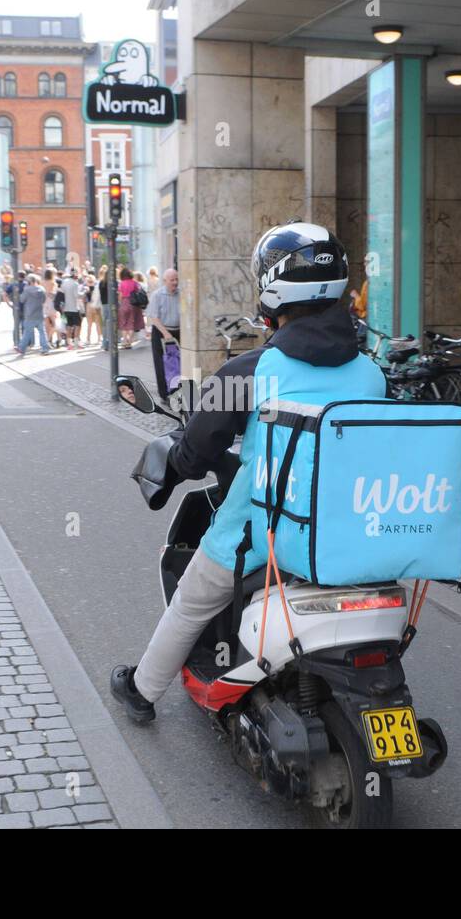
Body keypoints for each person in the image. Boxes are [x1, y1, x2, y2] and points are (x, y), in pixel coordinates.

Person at [109, 223, 381, 722]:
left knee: (191, 601)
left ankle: (142, 691)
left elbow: (193, 453)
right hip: (348, 533)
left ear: (272, 288)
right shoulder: (371, 372)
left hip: (261, 536)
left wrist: (172, 462)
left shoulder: (251, 372)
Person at [147, 268, 181, 400]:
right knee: (162, 364)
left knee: (178, 364)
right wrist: (166, 333)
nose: (175, 282)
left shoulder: (181, 293)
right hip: (161, 331)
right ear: (165, 281)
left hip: (178, 331)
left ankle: (177, 391)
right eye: (172, 280)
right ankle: (165, 394)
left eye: (176, 279)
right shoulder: (157, 295)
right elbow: (154, 318)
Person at [16, 273, 50, 357]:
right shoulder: (41, 289)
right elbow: (43, 300)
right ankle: (45, 348)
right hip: (39, 313)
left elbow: (22, 300)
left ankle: (21, 348)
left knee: (27, 332)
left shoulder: (27, 290)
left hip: (29, 314)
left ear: (29, 281)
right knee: (42, 332)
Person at [117, 267, 144, 348]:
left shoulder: (121, 283)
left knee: (124, 323)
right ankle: (129, 341)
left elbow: (120, 296)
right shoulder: (134, 283)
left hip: (124, 303)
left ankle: (125, 341)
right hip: (133, 304)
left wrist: (121, 303)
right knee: (131, 324)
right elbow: (138, 292)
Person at [60, 268, 82, 350]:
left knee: (69, 326)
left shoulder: (64, 282)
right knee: (78, 325)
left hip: (66, 308)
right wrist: (84, 292)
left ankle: (69, 344)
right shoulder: (75, 284)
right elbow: (77, 296)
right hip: (74, 308)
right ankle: (76, 343)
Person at [83, 273, 104, 346]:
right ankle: (99, 338)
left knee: (89, 324)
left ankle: (88, 339)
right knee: (98, 324)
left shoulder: (86, 288)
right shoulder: (96, 288)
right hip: (96, 306)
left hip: (89, 306)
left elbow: (84, 298)